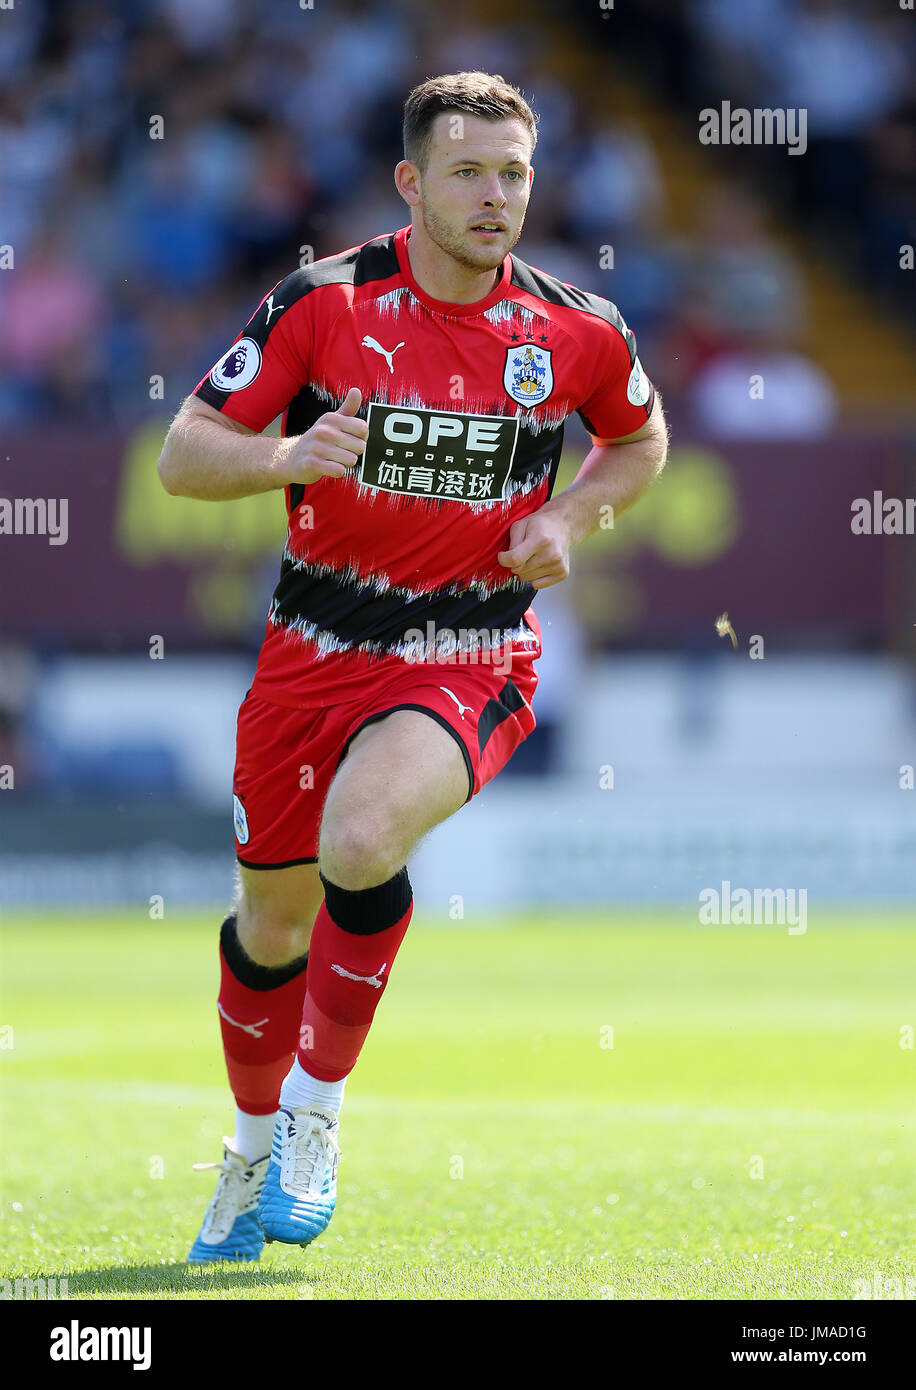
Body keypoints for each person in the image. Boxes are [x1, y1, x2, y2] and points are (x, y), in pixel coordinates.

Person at [157, 70, 668, 1262]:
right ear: (411, 183)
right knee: (272, 922)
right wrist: (290, 452)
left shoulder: (577, 327)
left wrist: (571, 519)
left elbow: (637, 440)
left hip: (466, 650)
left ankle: (316, 1115)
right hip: (308, 651)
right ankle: (246, 1150)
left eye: (514, 175)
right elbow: (185, 456)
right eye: (468, 174)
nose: (496, 198)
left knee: (361, 839)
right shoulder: (322, 303)